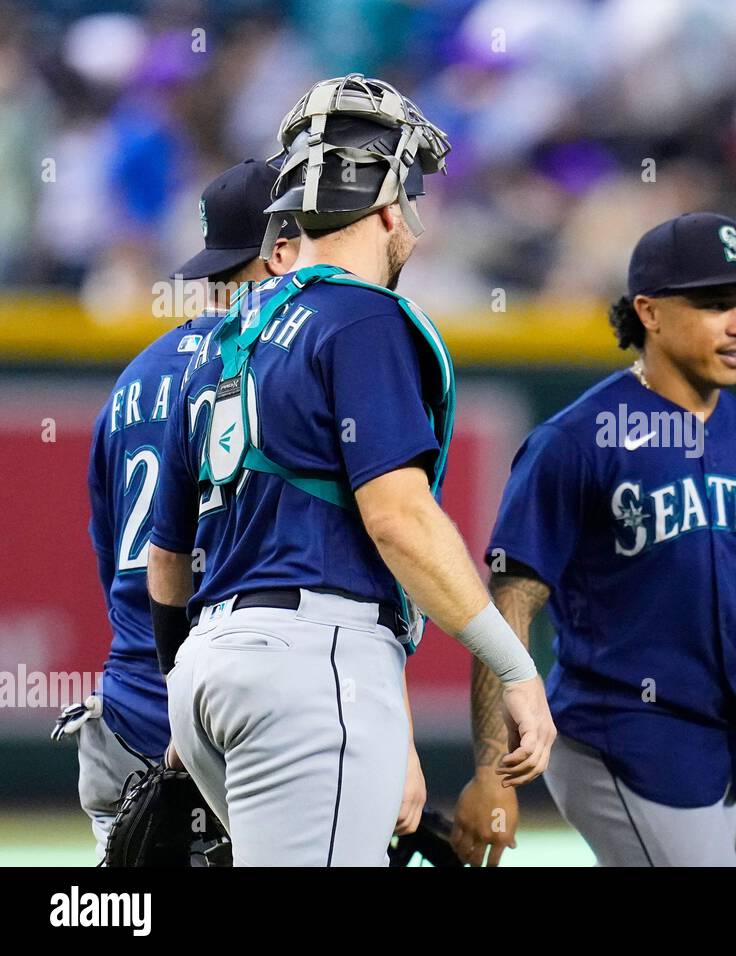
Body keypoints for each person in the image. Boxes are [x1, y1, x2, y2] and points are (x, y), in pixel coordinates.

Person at [146, 74, 554, 867]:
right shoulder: (365, 315)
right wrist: (514, 667)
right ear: (391, 202)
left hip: (210, 669)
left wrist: (180, 682)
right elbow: (398, 519)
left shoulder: (221, 337)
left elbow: (167, 560)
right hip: (310, 665)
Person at [485, 213, 736, 866]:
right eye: (714, 306)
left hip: (722, 753)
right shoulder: (579, 438)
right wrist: (492, 775)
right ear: (649, 313)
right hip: (616, 741)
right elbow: (507, 604)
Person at [54, 159, 299, 859]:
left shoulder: (135, 377)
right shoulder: (277, 369)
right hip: (231, 716)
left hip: (127, 710)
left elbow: (113, 561)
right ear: (281, 249)